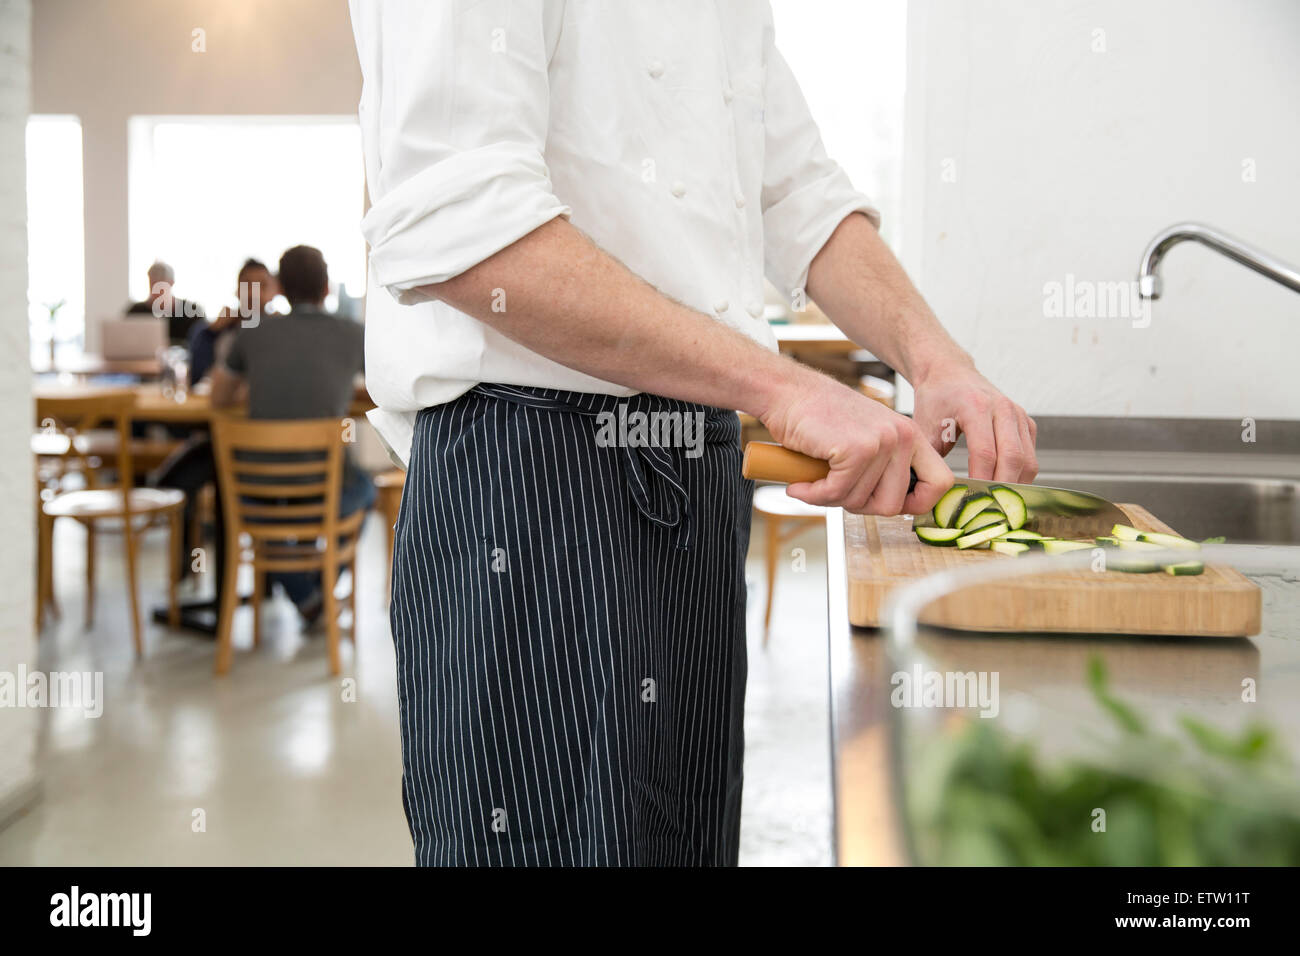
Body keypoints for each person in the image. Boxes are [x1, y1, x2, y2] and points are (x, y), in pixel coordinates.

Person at [350, 1, 1038, 867]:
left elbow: (797, 192)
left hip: (697, 462)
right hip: (533, 485)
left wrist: (937, 358)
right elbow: (458, 223)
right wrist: (782, 388)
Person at [211, 245, 373, 624]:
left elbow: (218, 400)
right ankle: (314, 588)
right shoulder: (353, 334)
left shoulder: (252, 333)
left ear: (280, 287)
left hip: (258, 493)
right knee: (364, 491)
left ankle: (306, 594)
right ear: (327, 288)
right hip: (326, 487)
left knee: (265, 519)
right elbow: (387, 386)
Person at [188, 258, 277, 386]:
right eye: (247, 285)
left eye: (261, 285)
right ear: (237, 290)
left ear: (272, 292)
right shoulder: (218, 330)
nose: (253, 293)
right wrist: (211, 333)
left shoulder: (279, 330)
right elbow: (196, 378)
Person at [126, 260, 206, 345]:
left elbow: (201, 345)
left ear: (171, 283)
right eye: (153, 283)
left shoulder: (192, 312)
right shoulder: (135, 312)